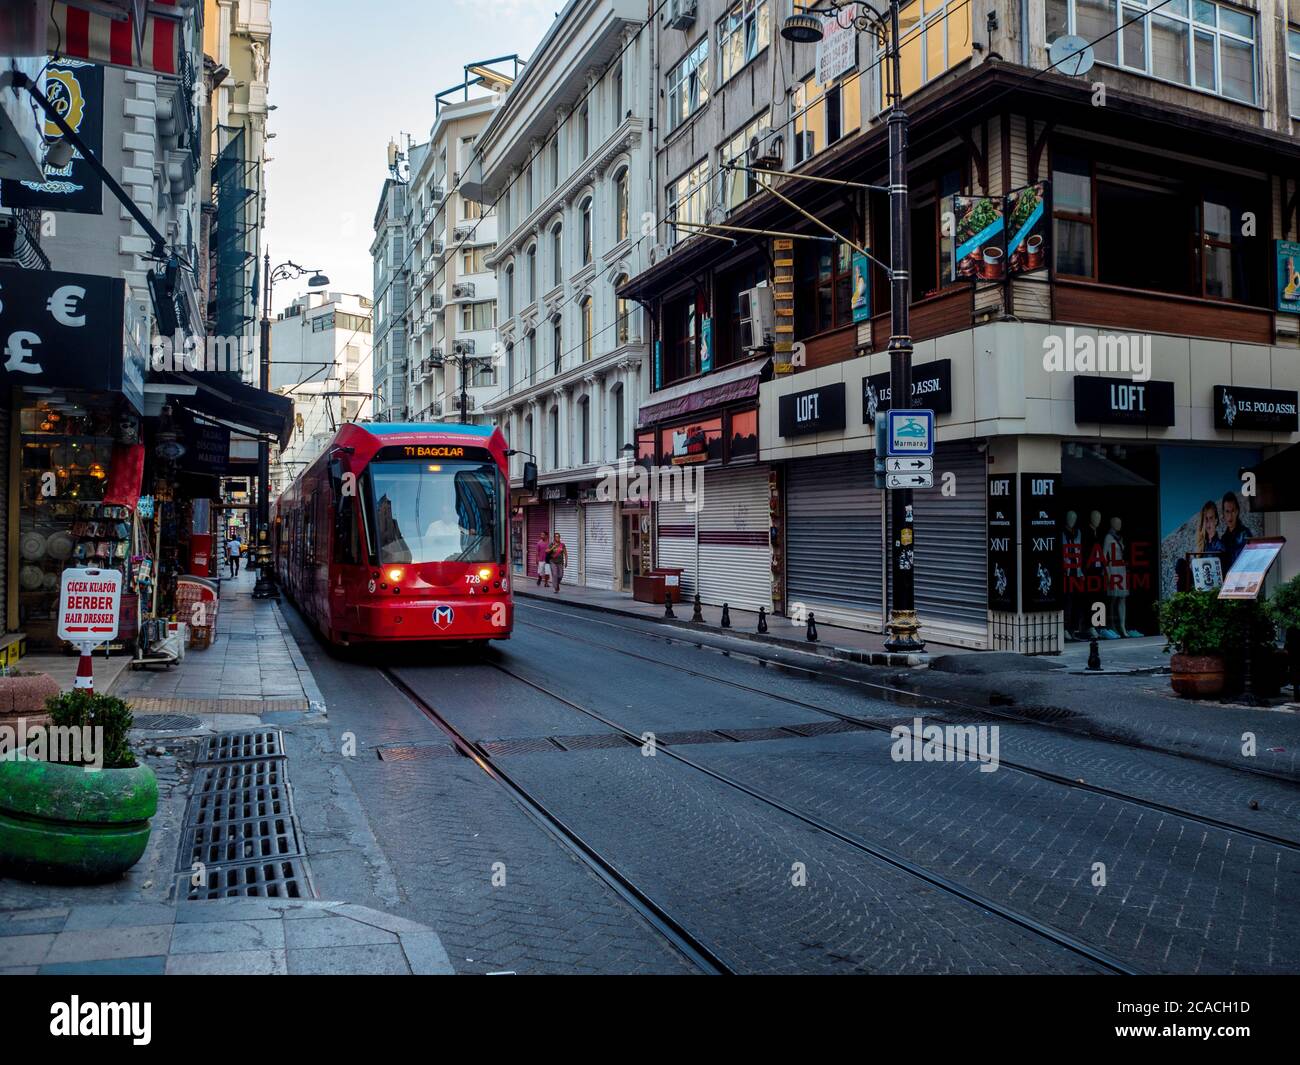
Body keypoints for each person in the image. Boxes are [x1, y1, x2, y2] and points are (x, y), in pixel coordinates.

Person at [1220, 491, 1250, 572]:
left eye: (1232, 511)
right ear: (1223, 513)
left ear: (1237, 511)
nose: (1230, 516)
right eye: (1227, 511)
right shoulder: (1223, 539)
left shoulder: (1245, 534)